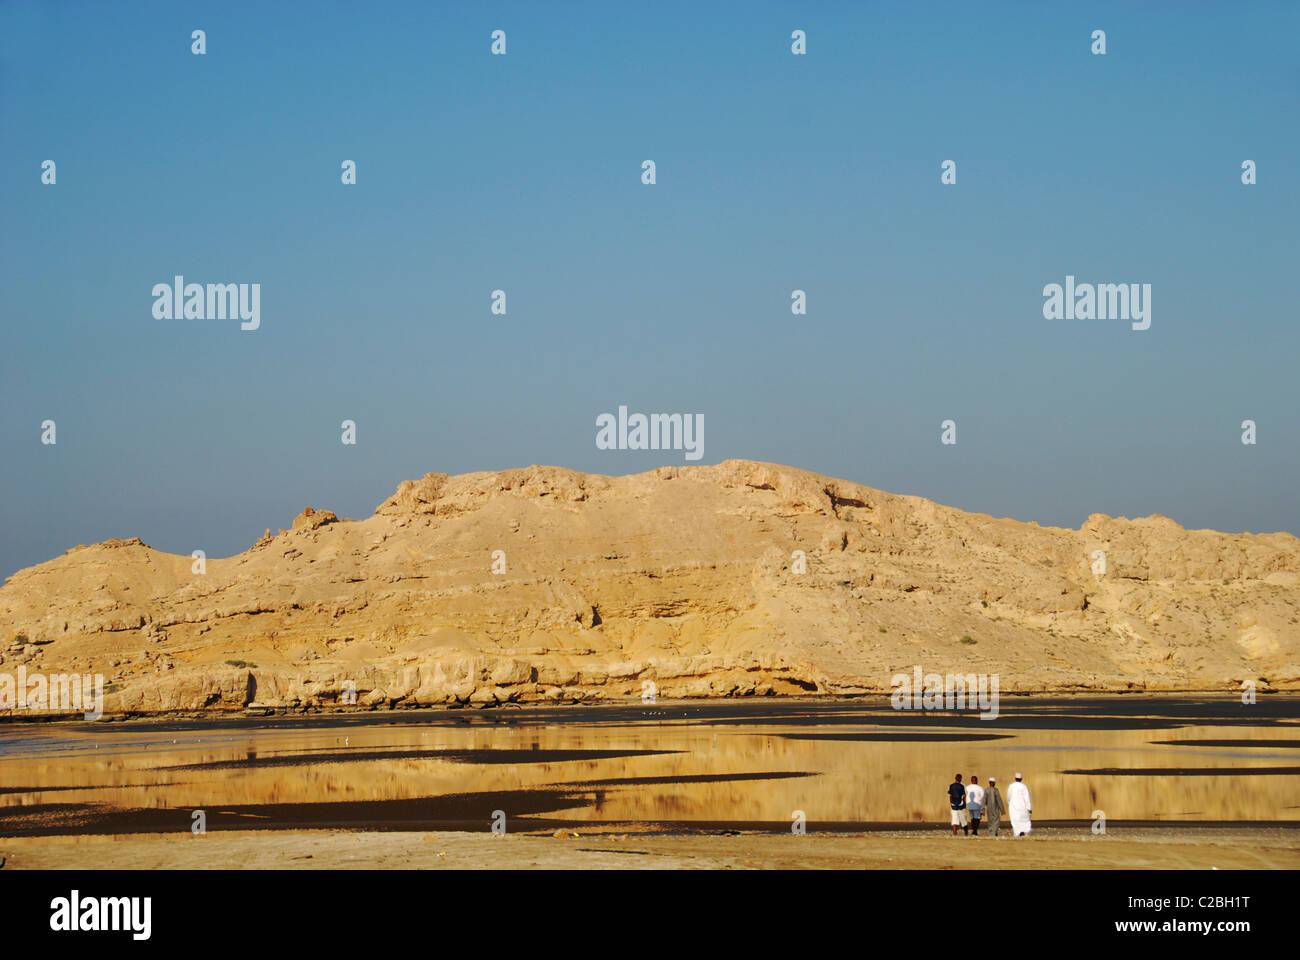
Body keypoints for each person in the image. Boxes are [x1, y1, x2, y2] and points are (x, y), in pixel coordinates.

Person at [1007, 772, 1032, 837]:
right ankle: (1022, 832)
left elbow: (1008, 796)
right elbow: (1027, 798)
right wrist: (1029, 808)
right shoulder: (1024, 786)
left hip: (1013, 806)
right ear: (1021, 779)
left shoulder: (1011, 786)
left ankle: (1017, 833)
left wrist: (1009, 803)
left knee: (1015, 820)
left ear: (1015, 778)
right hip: (1022, 806)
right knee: (1023, 820)